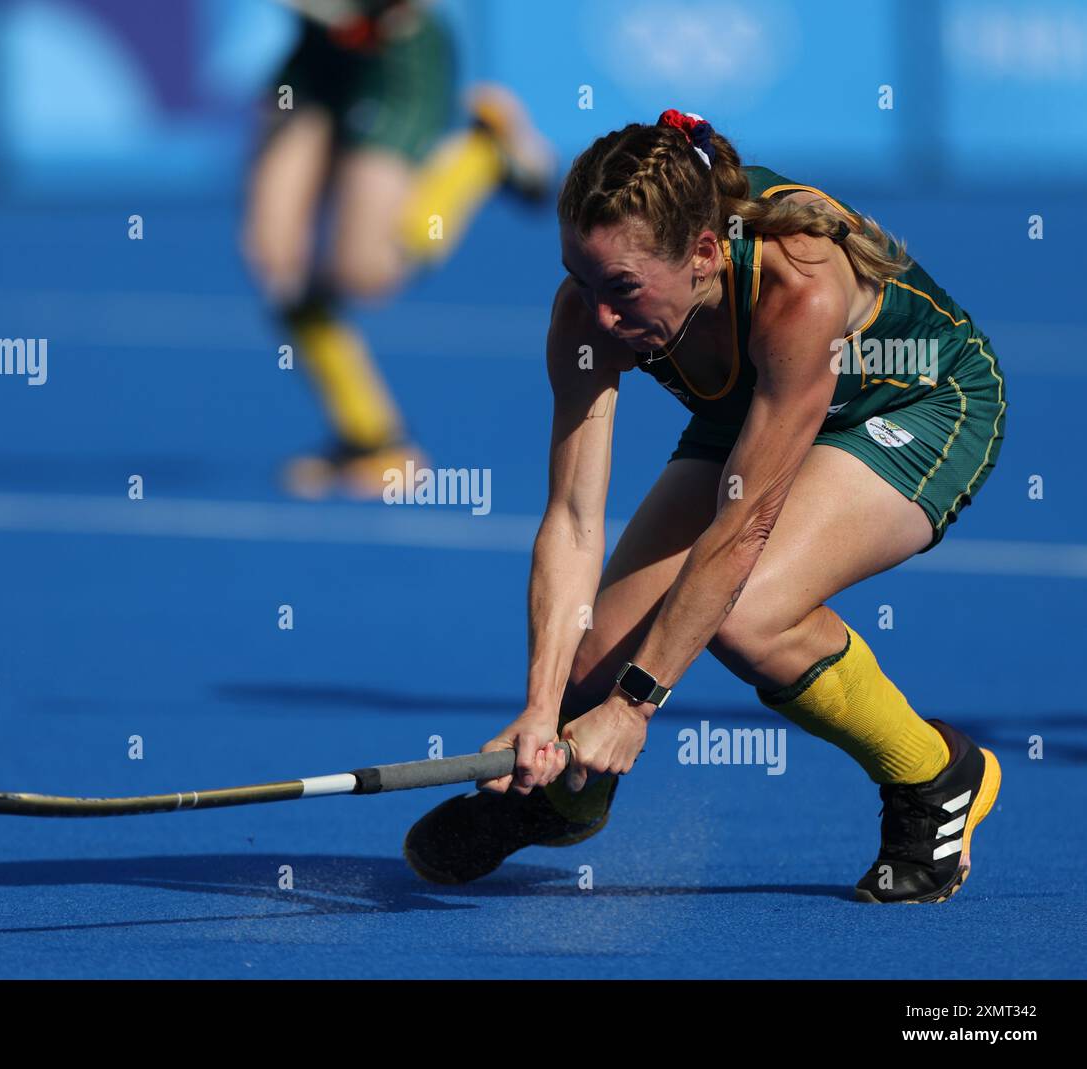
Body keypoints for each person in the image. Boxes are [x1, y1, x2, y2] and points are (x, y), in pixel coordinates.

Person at [404, 110, 1006, 904]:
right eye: (580, 281)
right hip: (758, 401)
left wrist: (634, 707)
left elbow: (743, 525)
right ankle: (569, 799)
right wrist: (545, 708)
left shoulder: (801, 287)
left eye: (621, 289)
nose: (602, 317)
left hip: (918, 401)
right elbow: (574, 519)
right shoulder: (588, 315)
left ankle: (934, 775)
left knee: (750, 612)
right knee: (593, 657)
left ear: (702, 255)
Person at [244, 0, 552, 497]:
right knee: (273, 257)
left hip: (394, 51)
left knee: (364, 271)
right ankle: (373, 441)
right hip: (317, 56)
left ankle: (483, 152)